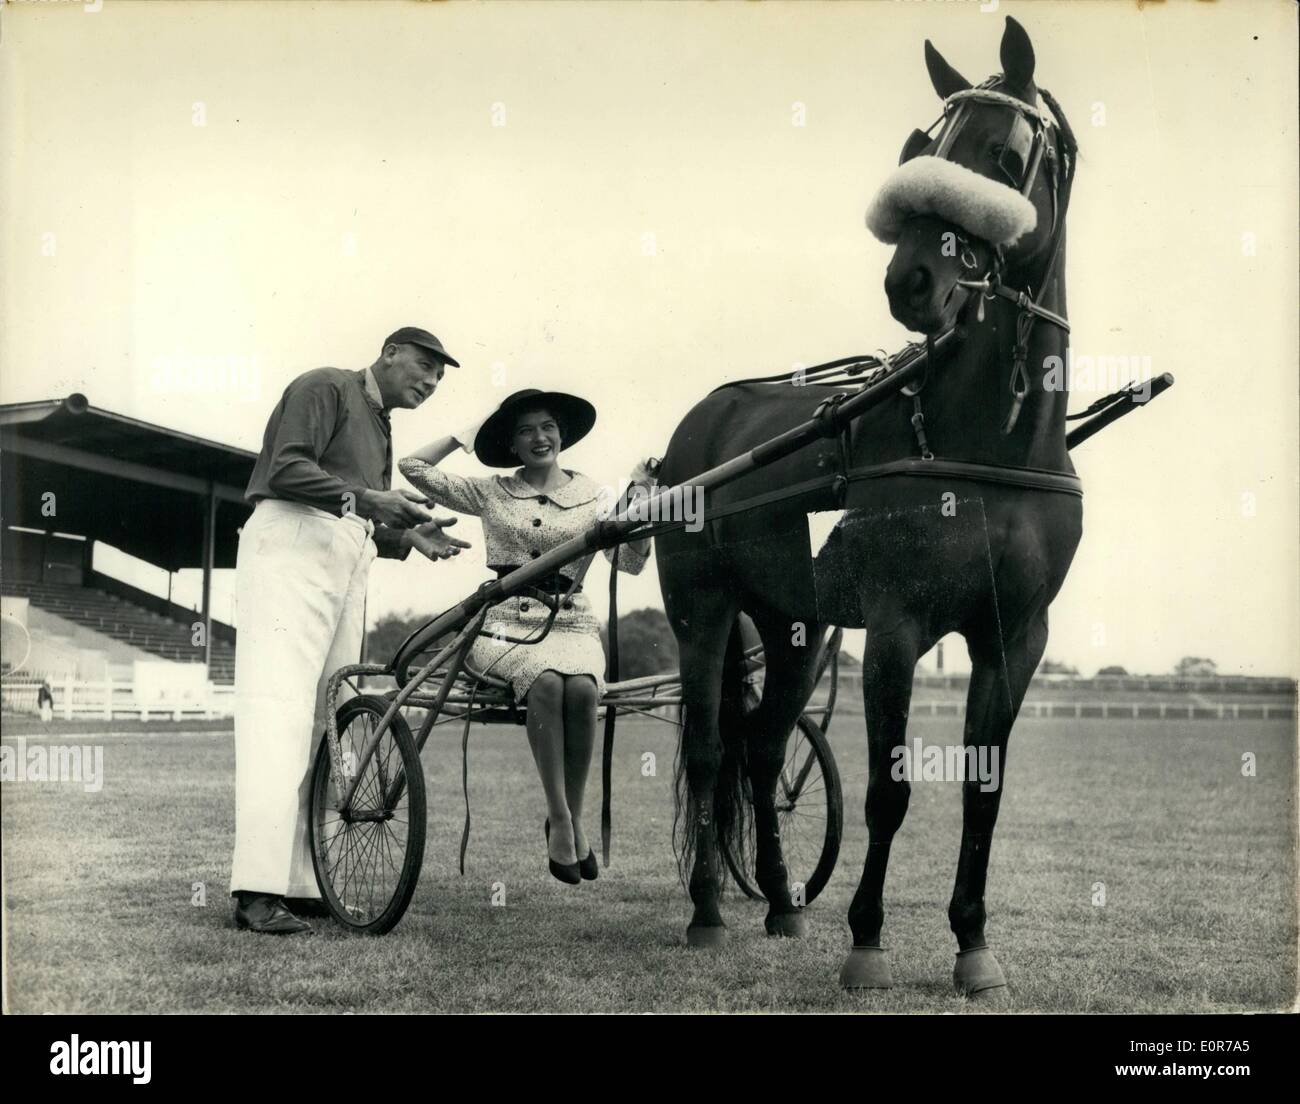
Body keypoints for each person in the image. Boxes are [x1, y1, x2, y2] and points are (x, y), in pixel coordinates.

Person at [230, 327, 472, 935]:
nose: (429, 381)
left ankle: (306, 882)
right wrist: (368, 501)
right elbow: (286, 469)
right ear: (388, 353)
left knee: (327, 719)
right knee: (278, 713)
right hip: (289, 545)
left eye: (439, 377)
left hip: (344, 556)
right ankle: (257, 889)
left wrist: (405, 535)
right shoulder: (326, 385)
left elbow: (360, 513)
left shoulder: (383, 424)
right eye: (422, 365)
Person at [399, 389, 654, 884]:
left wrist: (639, 507)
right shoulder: (491, 491)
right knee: (547, 682)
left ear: (562, 435)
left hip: (574, 625)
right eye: (525, 430)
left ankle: (572, 817)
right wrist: (464, 434)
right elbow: (413, 467)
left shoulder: (597, 496)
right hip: (503, 626)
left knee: (581, 687)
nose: (539, 438)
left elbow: (629, 563)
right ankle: (560, 820)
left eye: (548, 427)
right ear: (511, 445)